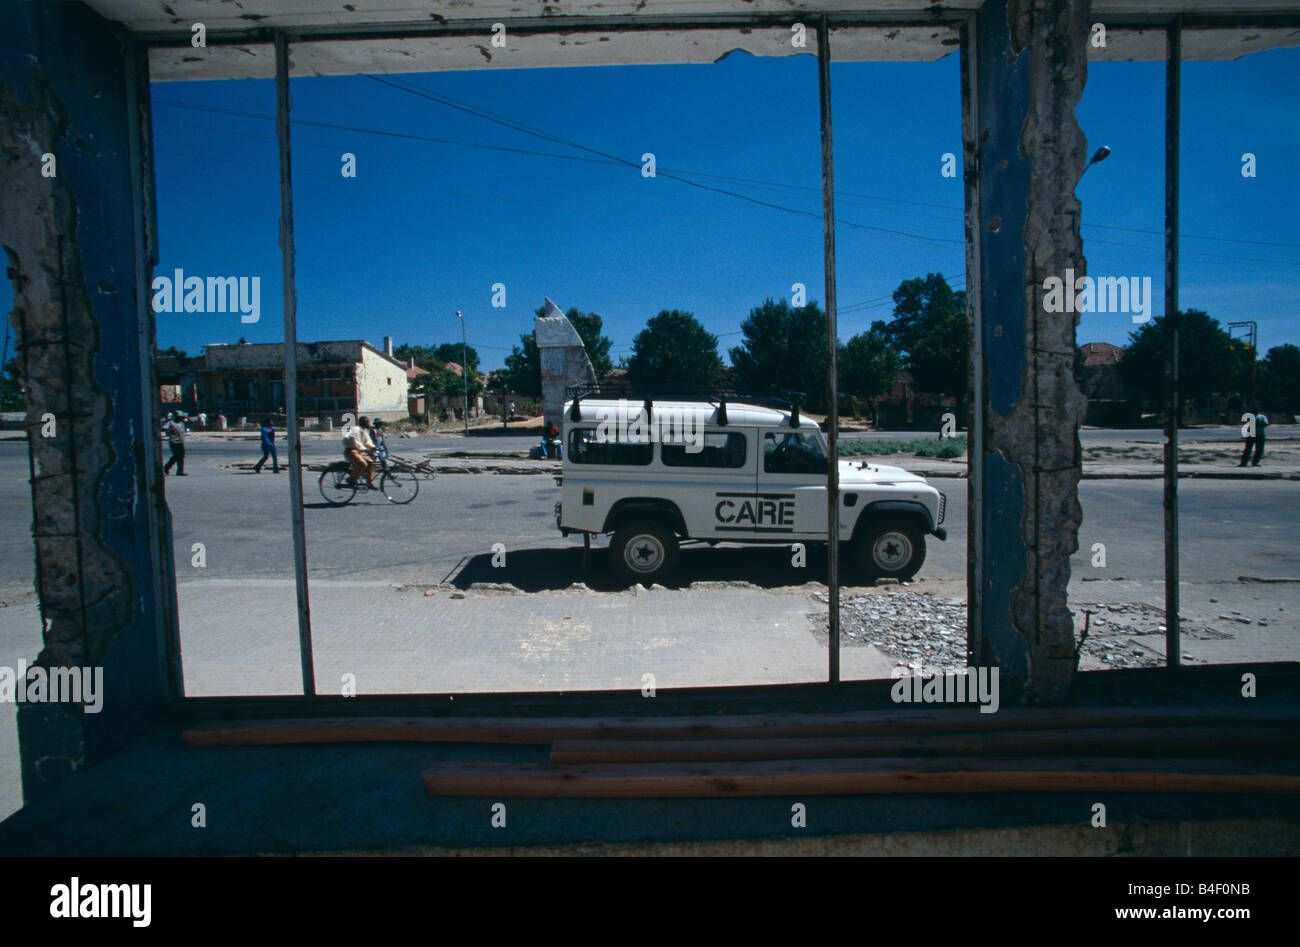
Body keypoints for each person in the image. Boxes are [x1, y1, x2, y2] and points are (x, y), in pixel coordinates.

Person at [343, 415, 377, 487]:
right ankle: (351, 479)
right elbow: (355, 442)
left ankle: (370, 481)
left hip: (360, 451)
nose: (369, 425)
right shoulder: (355, 430)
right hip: (351, 451)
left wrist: (373, 447)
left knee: (371, 463)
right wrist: (364, 449)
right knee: (362, 464)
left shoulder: (364, 431)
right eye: (367, 423)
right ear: (363, 423)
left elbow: (367, 441)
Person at [1240, 403, 1269, 468]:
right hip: (1251, 433)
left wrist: (1259, 425)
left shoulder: (1262, 416)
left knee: (1259, 449)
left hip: (1260, 433)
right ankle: (1244, 462)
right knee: (1248, 449)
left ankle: (1255, 462)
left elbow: (1266, 423)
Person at [162, 411, 187, 476]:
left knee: (181, 456)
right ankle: (166, 467)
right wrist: (169, 432)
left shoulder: (182, 423)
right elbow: (164, 428)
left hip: (180, 441)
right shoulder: (170, 423)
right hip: (173, 442)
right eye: (179, 417)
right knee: (177, 456)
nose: (180, 419)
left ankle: (180, 471)